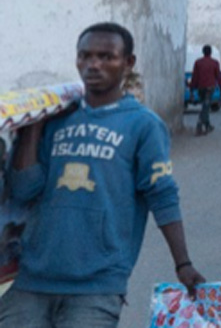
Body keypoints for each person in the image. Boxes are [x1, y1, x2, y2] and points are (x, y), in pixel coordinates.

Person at [0, 22, 205, 327]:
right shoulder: (55, 119)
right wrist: (34, 129)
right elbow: (24, 189)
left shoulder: (143, 125)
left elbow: (162, 195)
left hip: (97, 286)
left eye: (106, 56)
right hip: (30, 280)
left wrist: (183, 263)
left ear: (128, 62)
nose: (93, 64)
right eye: (85, 56)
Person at [189, 45, 221, 136]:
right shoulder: (215, 63)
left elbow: (195, 77)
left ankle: (207, 126)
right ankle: (199, 126)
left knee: (205, 106)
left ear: (203, 52)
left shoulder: (198, 62)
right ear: (210, 52)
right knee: (205, 107)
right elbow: (218, 77)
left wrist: (192, 89)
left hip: (201, 88)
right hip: (210, 88)